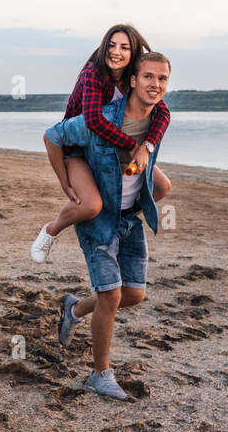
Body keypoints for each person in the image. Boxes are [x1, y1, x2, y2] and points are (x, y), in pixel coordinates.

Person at [43, 52, 172, 399]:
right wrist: (67, 185)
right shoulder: (98, 118)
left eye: (162, 79)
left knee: (133, 294)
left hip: (128, 218)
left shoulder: (159, 118)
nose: (155, 85)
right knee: (111, 295)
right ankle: (100, 374)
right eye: (148, 77)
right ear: (132, 79)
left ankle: (73, 309)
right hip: (99, 220)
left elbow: (151, 169)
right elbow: (53, 135)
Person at [30, 24, 172, 263]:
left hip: (108, 147)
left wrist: (147, 145)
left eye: (124, 47)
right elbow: (94, 120)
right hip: (79, 146)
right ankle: (51, 230)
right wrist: (64, 181)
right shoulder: (93, 73)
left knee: (162, 187)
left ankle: (121, 219)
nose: (116, 52)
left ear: (133, 53)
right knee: (91, 205)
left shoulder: (133, 77)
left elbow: (163, 113)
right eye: (111, 45)